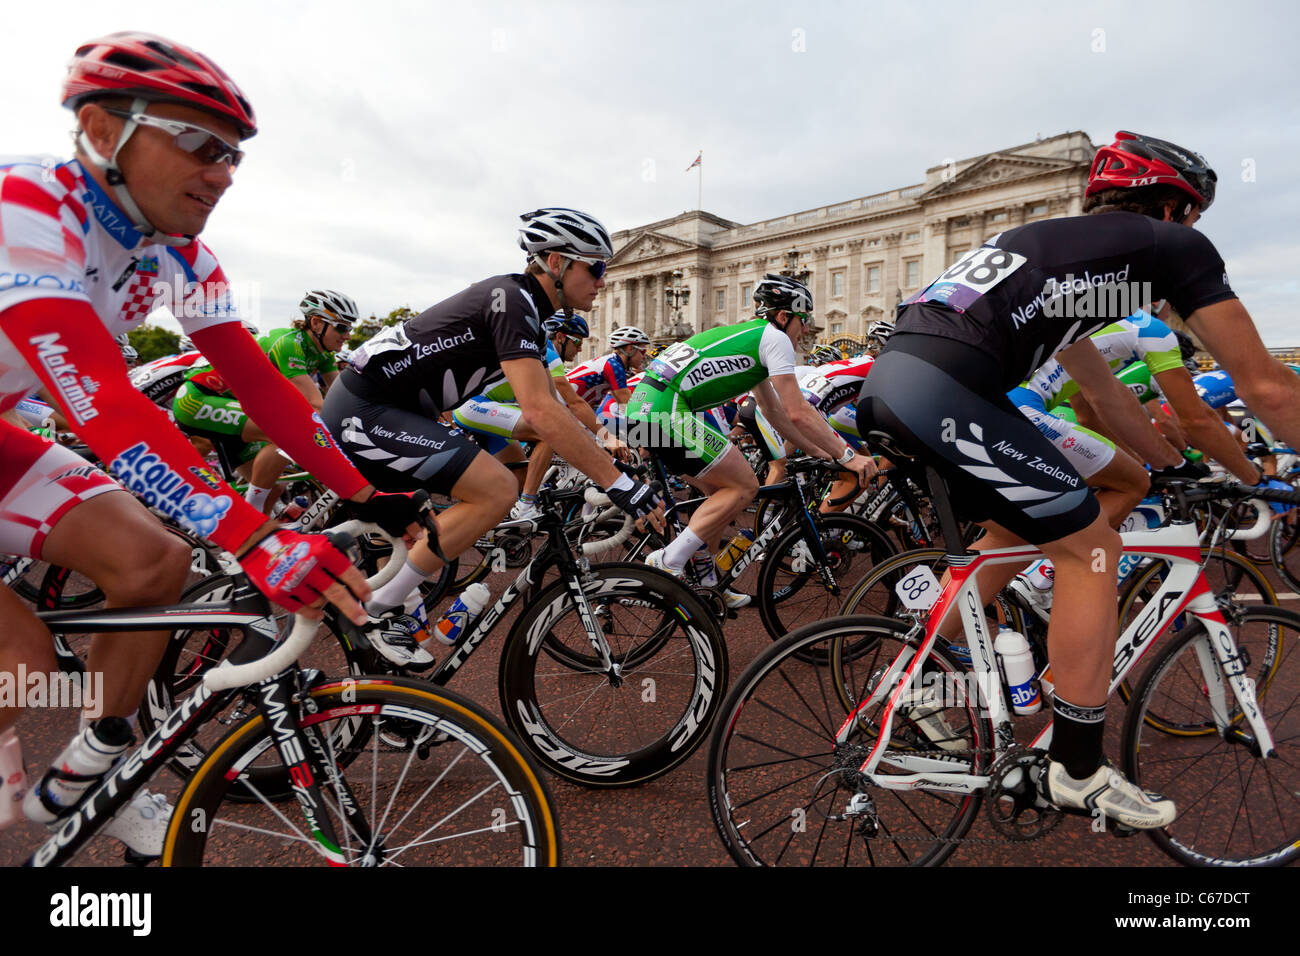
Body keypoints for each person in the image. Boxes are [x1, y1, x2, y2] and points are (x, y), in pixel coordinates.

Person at [0, 32, 422, 858]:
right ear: (99, 131)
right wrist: (255, 537)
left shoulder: (179, 252)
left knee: (155, 564)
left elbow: (262, 387)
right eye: (197, 143)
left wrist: (368, 491)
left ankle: (92, 778)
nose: (223, 172)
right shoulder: (26, 204)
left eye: (232, 154)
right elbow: (101, 403)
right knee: (17, 652)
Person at [856, 130, 1300, 830]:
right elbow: (1269, 387)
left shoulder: (1061, 258)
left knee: (1025, 525)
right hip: (945, 388)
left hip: (900, 384)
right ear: (1176, 209)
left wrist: (1173, 467)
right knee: (1093, 548)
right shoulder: (1174, 247)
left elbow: (1111, 401)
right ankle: (1079, 767)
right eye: (1194, 219)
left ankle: (920, 684)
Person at [322, 207, 664, 666]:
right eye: (596, 266)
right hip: (366, 409)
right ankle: (377, 613)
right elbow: (544, 413)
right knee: (496, 489)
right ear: (557, 263)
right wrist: (620, 485)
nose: (603, 280)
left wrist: (599, 450)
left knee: (450, 513)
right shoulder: (513, 300)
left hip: (394, 410)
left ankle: (389, 667)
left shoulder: (528, 311)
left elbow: (542, 413)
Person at [626, 273, 877, 594]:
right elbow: (798, 410)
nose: (805, 331)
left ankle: (706, 579)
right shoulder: (775, 339)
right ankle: (668, 561)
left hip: (642, 412)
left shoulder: (753, 337)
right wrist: (848, 456)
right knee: (745, 485)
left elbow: (775, 412)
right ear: (785, 316)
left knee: (723, 498)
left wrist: (815, 451)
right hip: (666, 412)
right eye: (803, 321)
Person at [174, 291, 356, 510]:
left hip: (234, 407)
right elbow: (316, 404)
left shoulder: (323, 353)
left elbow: (342, 397)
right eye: (343, 327)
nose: (348, 335)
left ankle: (253, 534)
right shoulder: (289, 344)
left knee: (274, 487)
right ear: (316, 323)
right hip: (198, 399)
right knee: (289, 434)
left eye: (350, 328)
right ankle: (254, 516)